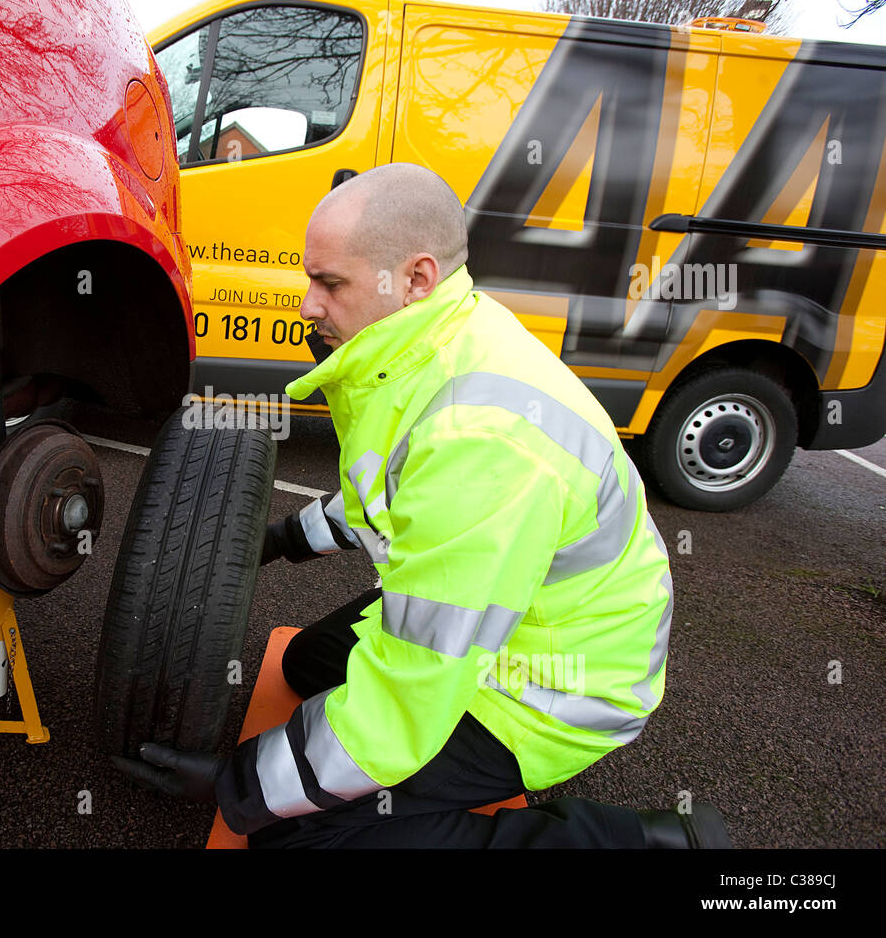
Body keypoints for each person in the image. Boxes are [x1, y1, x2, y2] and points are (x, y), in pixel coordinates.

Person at [114, 163, 730, 848]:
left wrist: (240, 786)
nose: (307, 304)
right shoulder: (429, 344)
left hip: (553, 682)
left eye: (329, 283)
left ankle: (646, 842)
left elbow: (414, 682)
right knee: (306, 668)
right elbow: (398, 492)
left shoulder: (484, 441)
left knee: (298, 834)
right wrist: (285, 537)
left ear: (414, 278)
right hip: (511, 613)